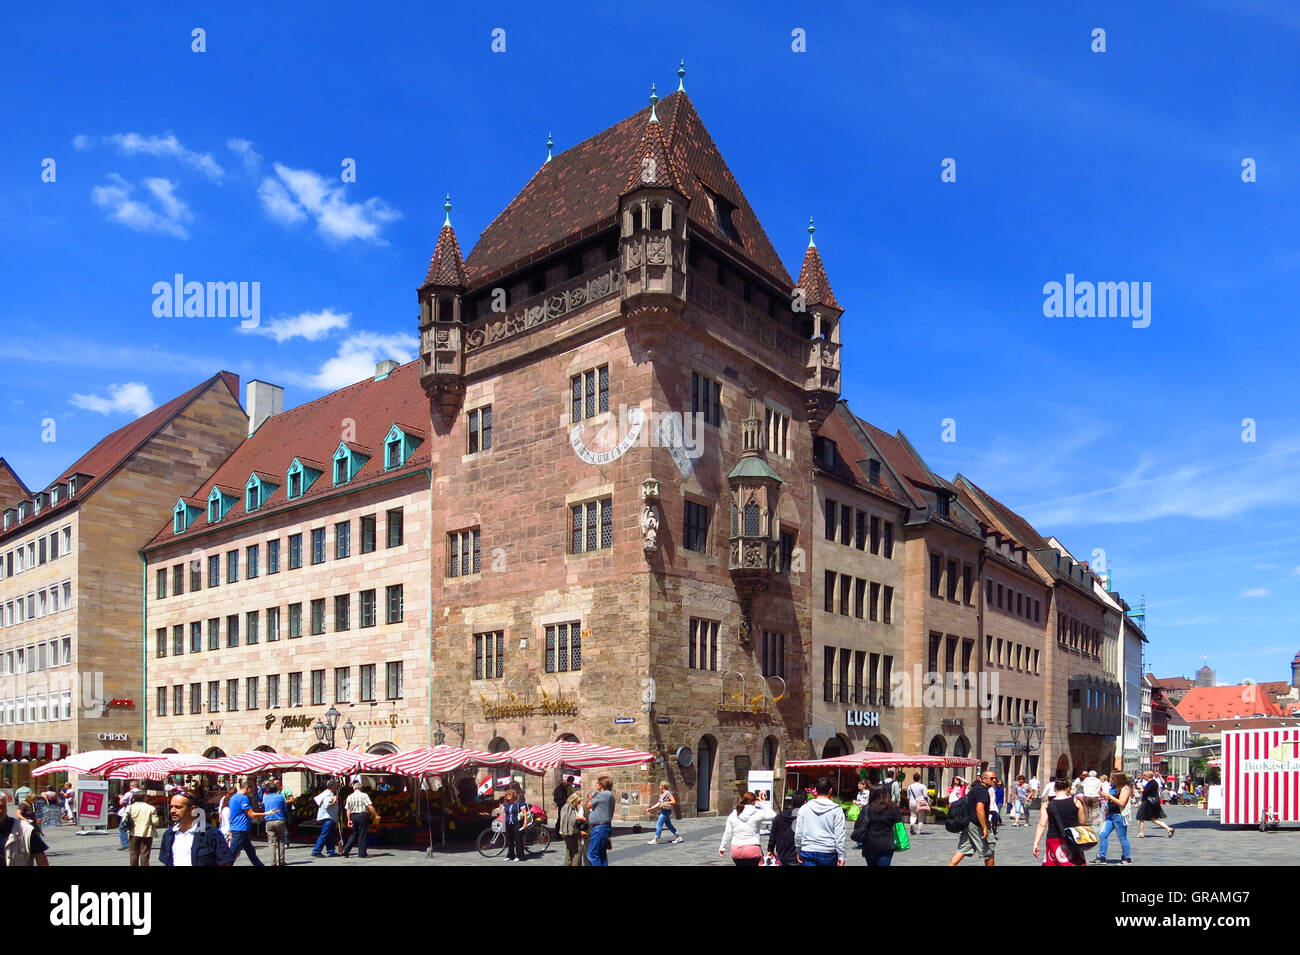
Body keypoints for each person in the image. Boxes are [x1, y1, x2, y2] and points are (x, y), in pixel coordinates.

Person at [159, 792, 235, 866]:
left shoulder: (210, 833)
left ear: (192, 809)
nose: (172, 811)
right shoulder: (169, 834)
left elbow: (224, 861)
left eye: (178, 807)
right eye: (171, 806)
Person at [1032, 777, 1087, 866]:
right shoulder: (1076, 802)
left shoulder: (1047, 805)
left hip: (1053, 838)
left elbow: (1042, 825)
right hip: (1073, 839)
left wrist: (1036, 843)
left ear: (1054, 789)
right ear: (1068, 788)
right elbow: (1082, 822)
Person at [947, 768, 996, 867]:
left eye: (995, 778)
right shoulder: (982, 791)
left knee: (963, 849)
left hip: (967, 822)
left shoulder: (975, 788)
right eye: (991, 778)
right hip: (976, 824)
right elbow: (979, 809)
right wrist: (985, 827)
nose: (994, 780)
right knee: (989, 851)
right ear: (984, 779)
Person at [795, 776, 846, 866]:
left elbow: (799, 832)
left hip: (808, 849)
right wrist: (841, 855)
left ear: (815, 790)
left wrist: (798, 848)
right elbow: (839, 834)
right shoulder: (836, 809)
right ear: (830, 790)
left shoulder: (805, 808)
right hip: (828, 850)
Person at [718, 792, 776, 866]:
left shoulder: (734, 814)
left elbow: (728, 833)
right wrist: (762, 803)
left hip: (736, 849)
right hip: (752, 848)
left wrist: (722, 847)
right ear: (754, 801)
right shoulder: (757, 813)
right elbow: (773, 815)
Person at [850, 785, 902, 867]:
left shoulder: (867, 808)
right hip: (887, 844)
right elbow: (899, 824)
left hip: (870, 843)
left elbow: (858, 824)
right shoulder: (892, 807)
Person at [0, 792, 49, 866]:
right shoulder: (23, 805)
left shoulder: (25, 830)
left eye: (2, 807)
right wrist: (25, 819)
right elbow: (18, 814)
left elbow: (42, 861)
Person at [1096, 772, 1132, 864]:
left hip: (1119, 815)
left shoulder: (1125, 789)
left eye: (1112, 779)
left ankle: (1127, 857)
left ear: (1118, 779)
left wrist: (1109, 796)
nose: (1110, 781)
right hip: (1110, 815)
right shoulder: (1114, 788)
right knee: (1103, 834)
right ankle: (1102, 857)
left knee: (1122, 837)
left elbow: (1121, 803)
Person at [225, 780, 264, 866]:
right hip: (240, 829)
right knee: (233, 853)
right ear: (247, 788)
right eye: (252, 790)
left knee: (251, 852)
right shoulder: (243, 798)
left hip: (239, 828)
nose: (253, 792)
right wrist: (266, 813)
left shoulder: (233, 797)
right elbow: (251, 814)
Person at [342, 781, 380, 859]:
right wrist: (376, 815)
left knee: (354, 833)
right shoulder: (364, 795)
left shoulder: (349, 797)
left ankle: (346, 850)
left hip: (353, 816)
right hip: (362, 816)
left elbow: (348, 809)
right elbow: (369, 806)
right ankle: (362, 853)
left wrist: (349, 819)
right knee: (362, 834)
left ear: (353, 788)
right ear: (361, 788)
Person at [767, 792, 804, 866]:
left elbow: (773, 834)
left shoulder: (780, 816)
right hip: (797, 854)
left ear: (792, 802)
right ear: (805, 802)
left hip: (782, 853)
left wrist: (770, 849)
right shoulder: (804, 816)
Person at [585, 775, 615, 866]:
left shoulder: (602, 794)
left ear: (601, 785)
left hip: (599, 827)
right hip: (605, 827)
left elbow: (589, 805)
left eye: (597, 783)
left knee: (592, 853)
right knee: (601, 855)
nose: (596, 785)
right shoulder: (610, 795)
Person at [125, 794, 161, 866]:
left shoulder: (130, 807)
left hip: (133, 833)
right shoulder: (151, 808)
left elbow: (124, 820)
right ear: (144, 798)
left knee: (133, 854)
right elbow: (155, 822)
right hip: (146, 833)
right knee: (145, 854)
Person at [259, 780, 290, 866]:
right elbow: (285, 808)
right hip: (280, 819)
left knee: (272, 842)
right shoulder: (280, 797)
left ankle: (273, 862)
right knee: (281, 841)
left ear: (268, 790)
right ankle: (281, 861)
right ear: (276, 789)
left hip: (269, 820)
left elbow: (262, 806)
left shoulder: (265, 797)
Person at [1135, 771, 1174, 838]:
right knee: (1153, 819)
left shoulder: (1151, 783)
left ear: (1147, 776)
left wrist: (1140, 788)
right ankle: (1169, 829)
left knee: (1140, 817)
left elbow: (1146, 792)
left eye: (1144, 776)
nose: (1143, 777)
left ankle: (1141, 833)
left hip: (1147, 802)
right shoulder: (1153, 782)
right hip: (1150, 802)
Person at [646, 781, 682, 845]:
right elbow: (659, 803)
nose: (659, 786)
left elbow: (673, 801)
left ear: (663, 786)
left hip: (666, 811)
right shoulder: (662, 793)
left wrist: (665, 802)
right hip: (663, 810)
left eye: (660, 785)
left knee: (659, 825)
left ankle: (655, 839)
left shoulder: (668, 793)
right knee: (669, 825)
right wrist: (651, 809)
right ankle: (678, 837)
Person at [311, 780, 341, 858]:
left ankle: (331, 851)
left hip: (329, 817)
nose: (337, 787)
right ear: (333, 787)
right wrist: (335, 800)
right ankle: (316, 851)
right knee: (325, 834)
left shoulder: (327, 793)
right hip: (328, 817)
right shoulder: (328, 794)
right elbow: (327, 805)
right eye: (336, 786)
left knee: (330, 835)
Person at [558, 791, 586, 866]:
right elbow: (570, 820)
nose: (580, 803)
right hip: (571, 833)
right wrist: (580, 818)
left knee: (569, 851)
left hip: (567, 833)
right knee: (578, 851)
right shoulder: (569, 807)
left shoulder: (567, 806)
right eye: (579, 801)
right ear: (575, 800)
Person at [116, 781, 140, 850]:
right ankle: (136, 843)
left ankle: (126, 844)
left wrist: (121, 797)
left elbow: (121, 803)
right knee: (135, 828)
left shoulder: (129, 793)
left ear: (131, 786)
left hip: (129, 812)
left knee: (122, 828)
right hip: (139, 811)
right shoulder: (142, 793)